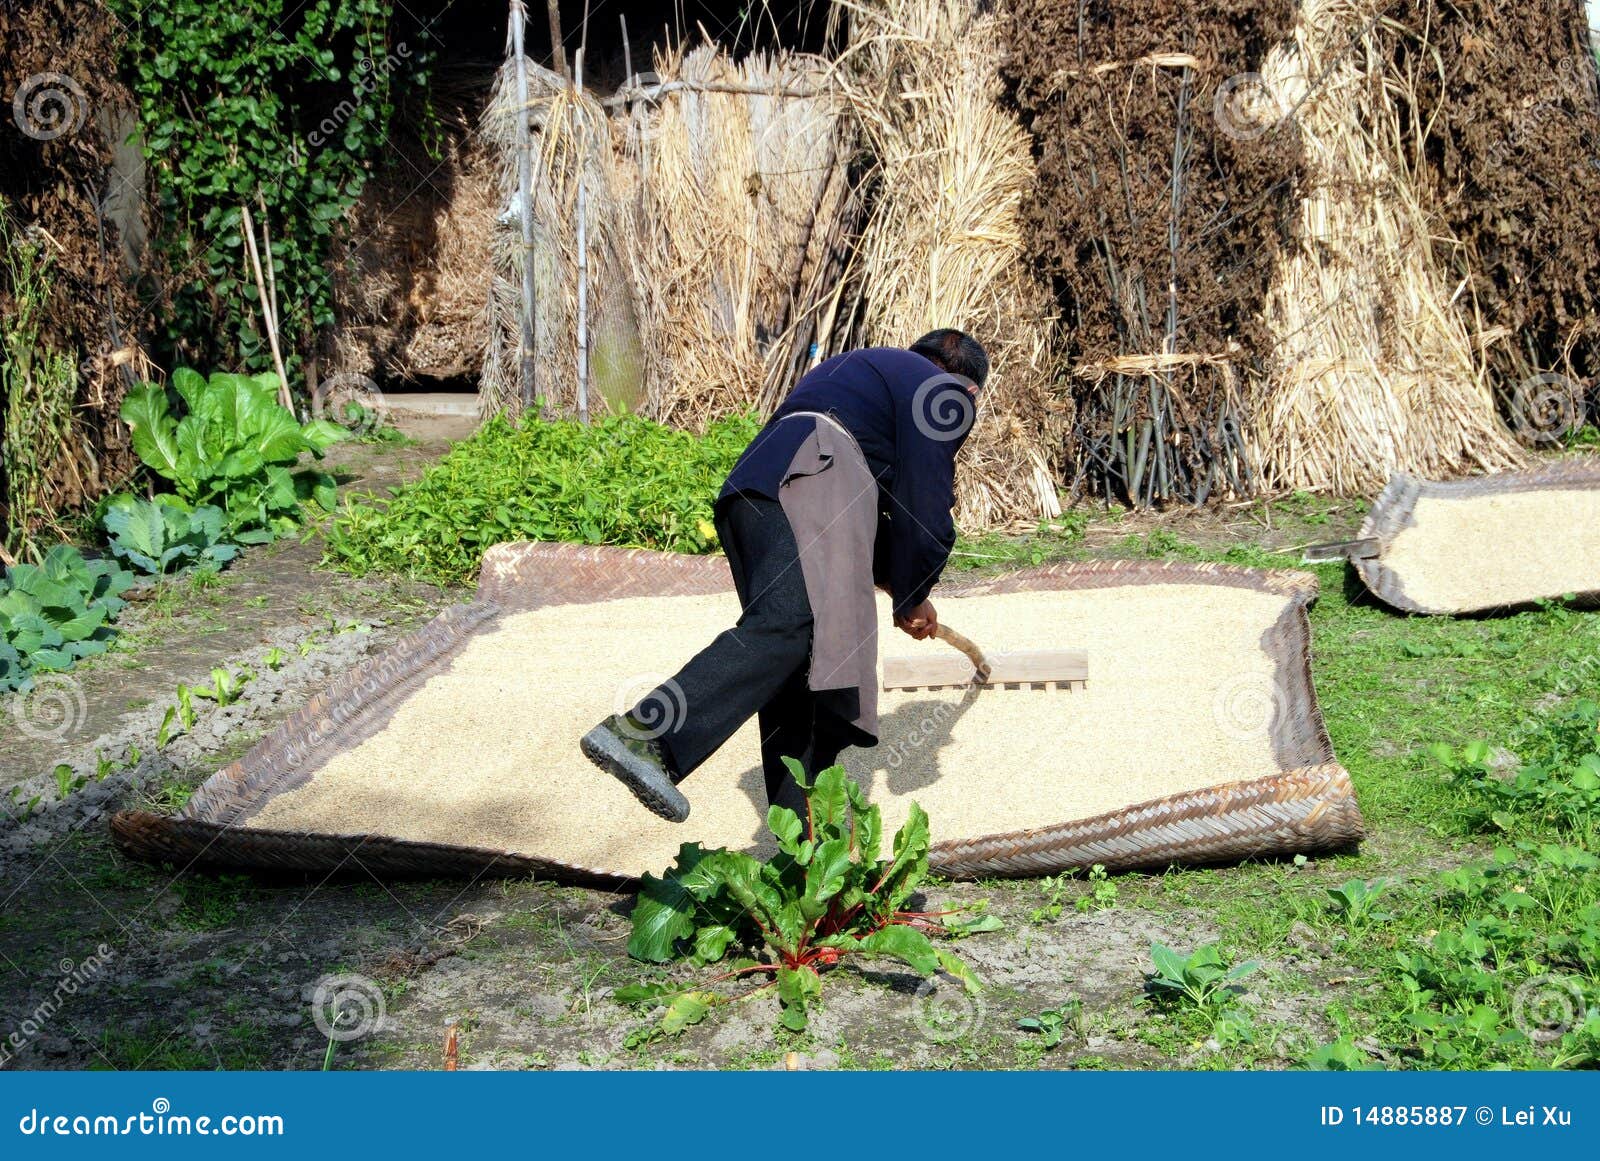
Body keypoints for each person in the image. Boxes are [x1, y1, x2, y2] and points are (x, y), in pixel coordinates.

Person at [579, 329, 988, 823]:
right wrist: (914, 594)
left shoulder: (868, 377)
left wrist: (904, 587)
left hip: (756, 490)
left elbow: (877, 519)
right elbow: (923, 507)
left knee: (809, 662)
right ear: (968, 389)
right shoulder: (941, 392)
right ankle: (646, 738)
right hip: (813, 480)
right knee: (791, 626)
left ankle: (803, 847)